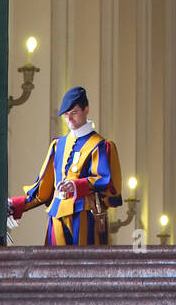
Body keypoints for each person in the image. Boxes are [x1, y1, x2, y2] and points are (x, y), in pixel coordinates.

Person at [8, 86, 123, 246]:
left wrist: (77, 186)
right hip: (57, 215)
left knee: (83, 265)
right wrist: (17, 205)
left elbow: (109, 183)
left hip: (85, 213)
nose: (69, 119)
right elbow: (44, 189)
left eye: (74, 112)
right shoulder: (57, 145)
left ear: (86, 110)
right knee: (53, 265)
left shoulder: (101, 145)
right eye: (66, 115)